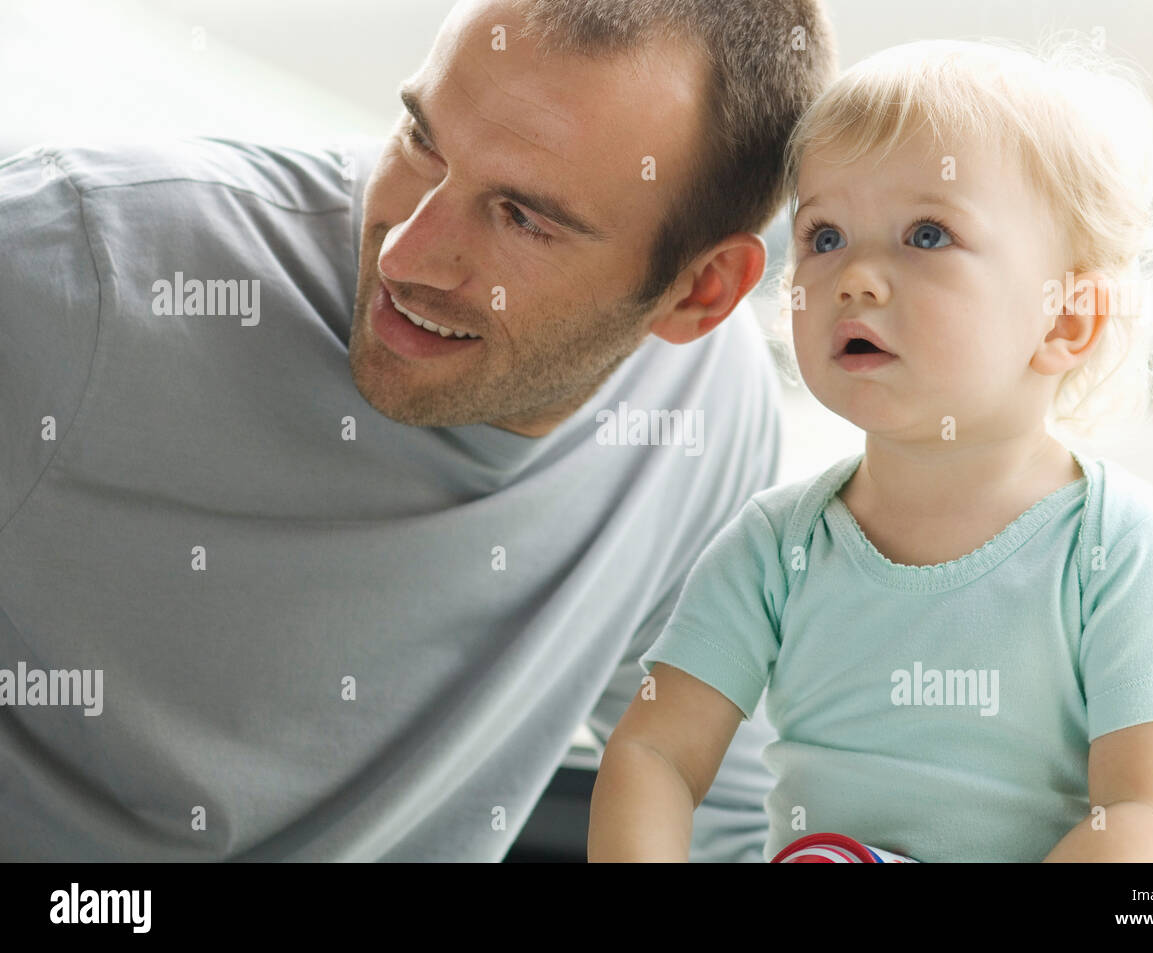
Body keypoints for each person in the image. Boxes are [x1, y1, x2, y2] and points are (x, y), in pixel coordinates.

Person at [0, 0, 835, 860]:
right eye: (422, 139)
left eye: (523, 217)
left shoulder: (707, 412)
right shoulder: (66, 274)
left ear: (699, 293)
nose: (404, 255)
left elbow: (710, 808)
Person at [588, 37, 1153, 863]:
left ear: (1066, 319)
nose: (856, 276)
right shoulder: (773, 547)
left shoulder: (1122, 550)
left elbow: (1144, 815)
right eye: (824, 235)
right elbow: (654, 753)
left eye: (927, 234)